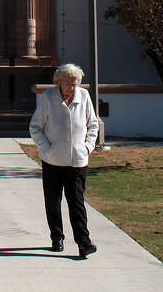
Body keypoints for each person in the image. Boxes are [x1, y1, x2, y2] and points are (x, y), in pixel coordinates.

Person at [29, 63, 99, 258]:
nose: (72, 88)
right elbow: (35, 127)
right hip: (53, 161)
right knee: (53, 201)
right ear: (58, 82)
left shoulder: (84, 97)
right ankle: (57, 237)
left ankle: (83, 242)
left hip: (77, 160)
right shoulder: (48, 98)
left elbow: (92, 125)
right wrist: (46, 149)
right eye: (68, 84)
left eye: (75, 84)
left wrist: (87, 147)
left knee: (76, 202)